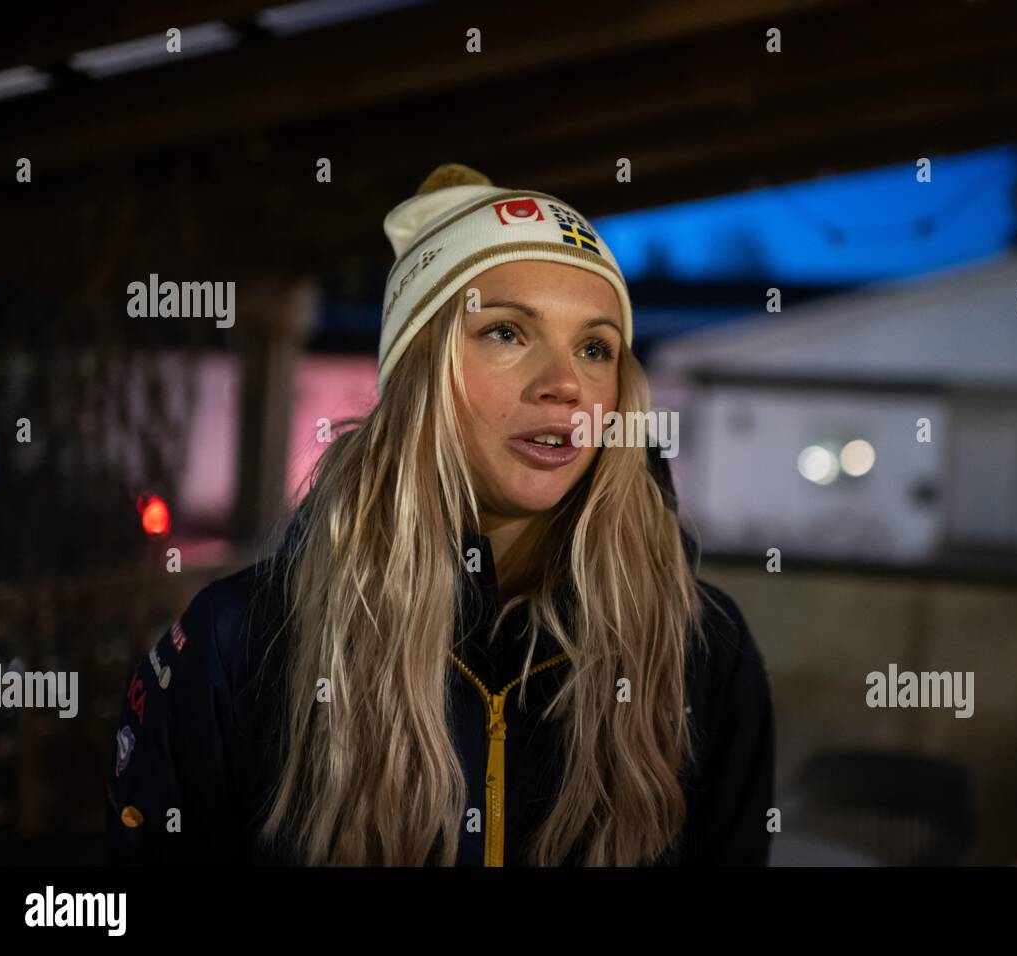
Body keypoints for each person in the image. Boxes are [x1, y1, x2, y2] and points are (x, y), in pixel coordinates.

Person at [105, 163, 776, 866]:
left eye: (594, 347)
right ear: (416, 373)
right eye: (507, 333)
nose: (564, 385)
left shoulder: (701, 649)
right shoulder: (237, 642)